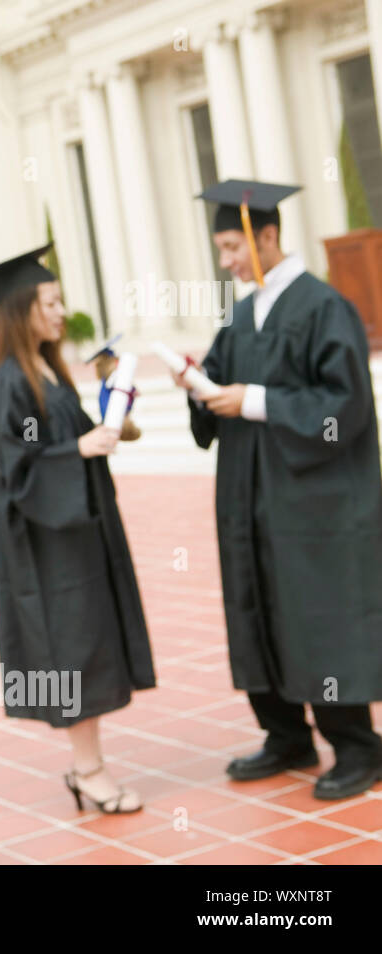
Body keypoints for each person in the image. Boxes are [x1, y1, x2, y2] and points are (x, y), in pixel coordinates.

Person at [175, 179, 382, 799]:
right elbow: (219, 386)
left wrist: (257, 400)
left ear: (268, 235)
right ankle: (286, 734)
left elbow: (344, 406)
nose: (227, 260)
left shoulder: (322, 306)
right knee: (257, 600)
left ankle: (357, 745)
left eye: (234, 245)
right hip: (249, 493)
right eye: (221, 248)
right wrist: (199, 385)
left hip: (310, 499)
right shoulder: (244, 314)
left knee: (317, 611)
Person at [0, 245, 155, 813]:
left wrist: (113, 424)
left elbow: (70, 439)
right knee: (74, 651)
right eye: (49, 301)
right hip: (47, 544)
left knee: (90, 644)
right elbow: (15, 468)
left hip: (73, 534)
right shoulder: (13, 379)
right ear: (22, 308)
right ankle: (88, 771)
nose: (59, 311)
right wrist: (77, 447)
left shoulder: (48, 369)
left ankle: (90, 767)